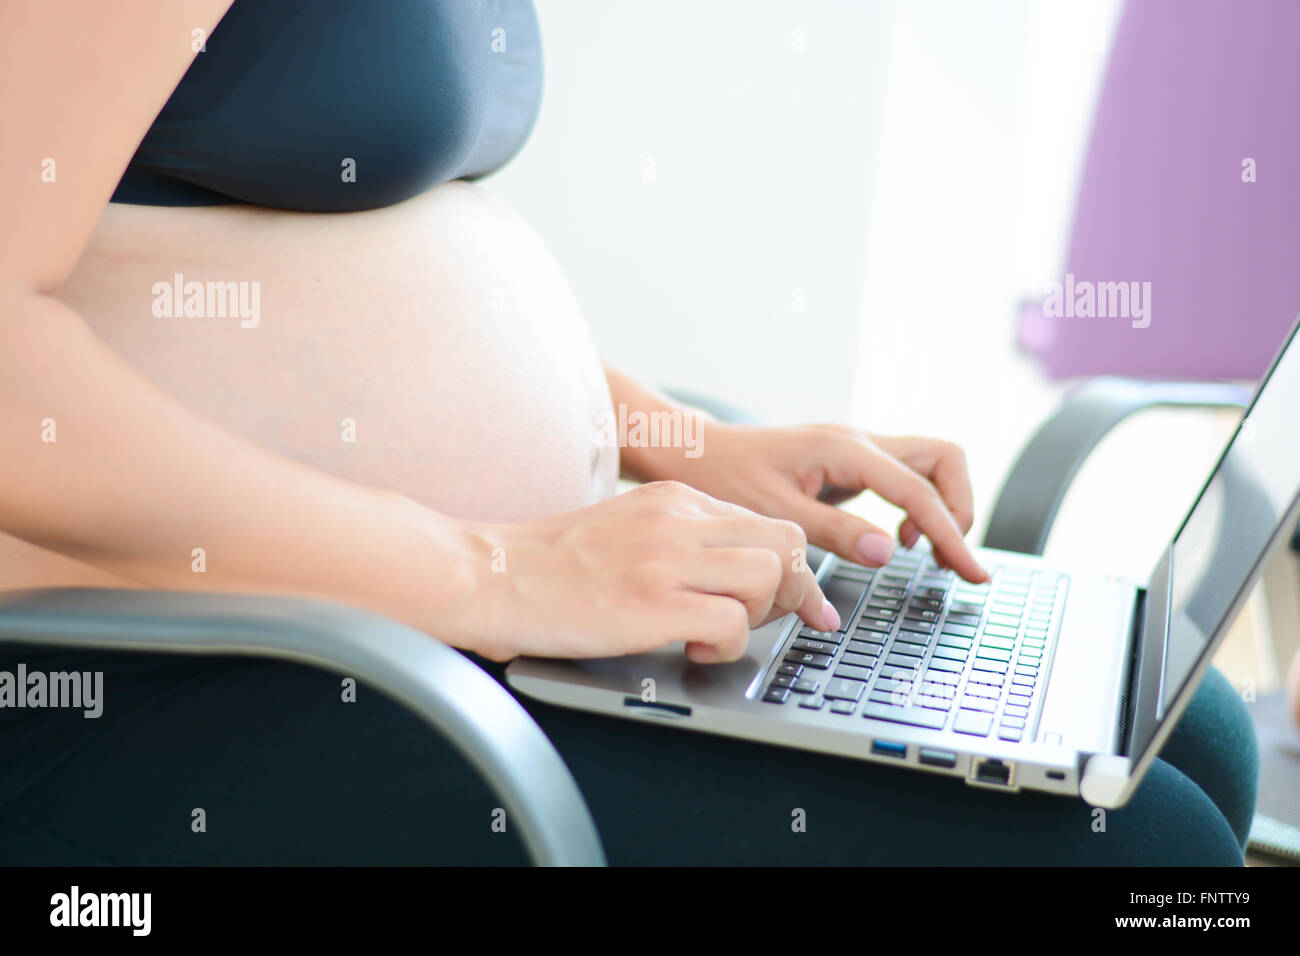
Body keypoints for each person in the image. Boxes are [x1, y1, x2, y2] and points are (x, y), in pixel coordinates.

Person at [0, 0, 1255, 864]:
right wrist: (499, 572)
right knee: (1150, 857)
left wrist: (663, 434)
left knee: (1183, 733)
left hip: (403, 611)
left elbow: (334, 251)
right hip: (146, 668)